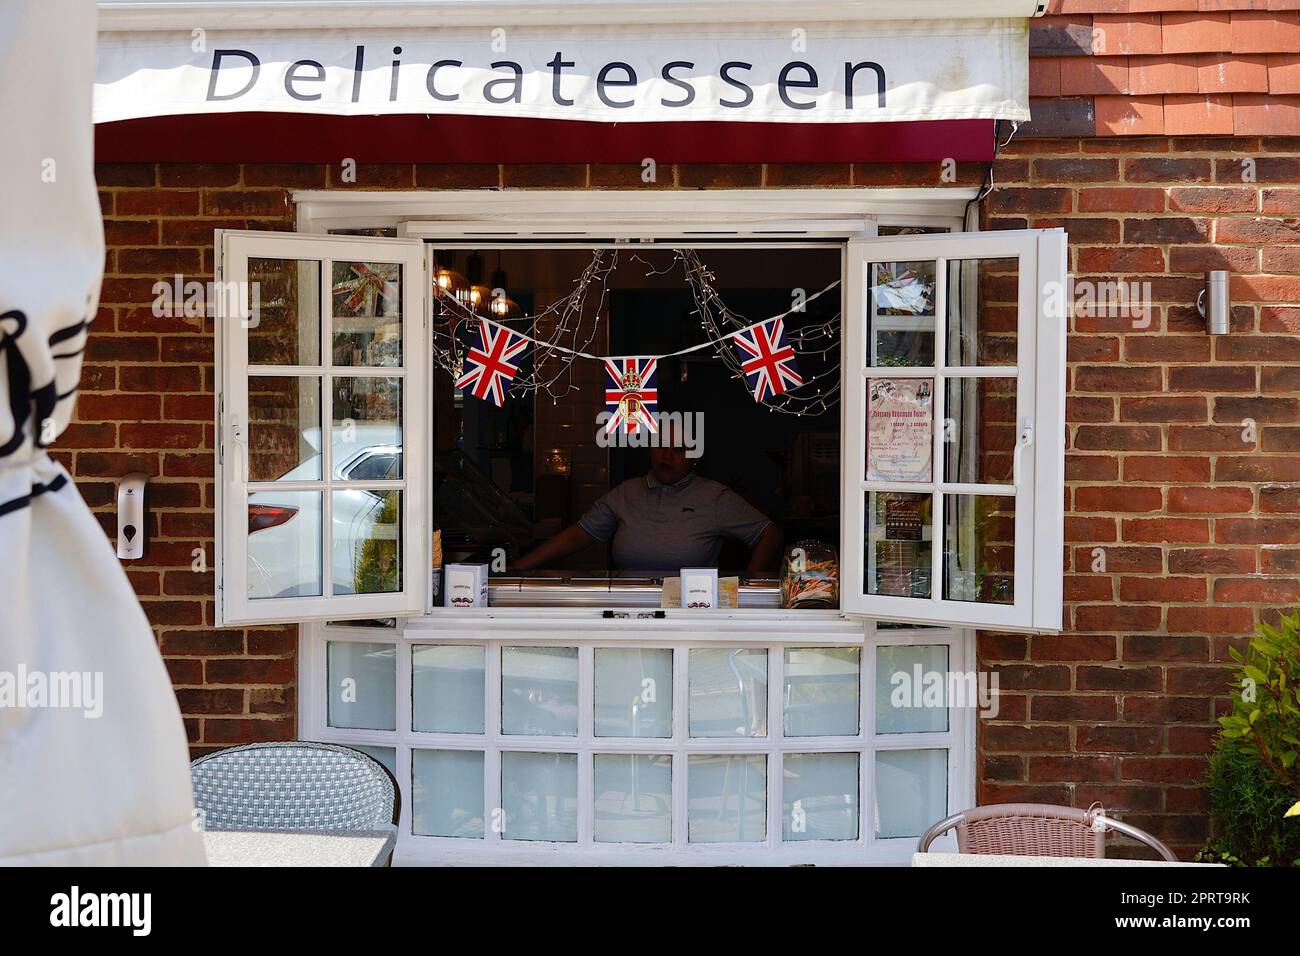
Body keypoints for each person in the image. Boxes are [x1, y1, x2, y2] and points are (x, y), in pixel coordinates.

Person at [515, 427, 782, 574]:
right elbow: (578, 535)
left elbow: (768, 533)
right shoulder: (626, 492)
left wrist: (751, 582)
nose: (668, 455)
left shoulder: (714, 496)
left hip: (691, 612)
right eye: (661, 445)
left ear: (694, 459)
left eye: (679, 450)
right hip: (627, 608)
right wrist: (518, 568)